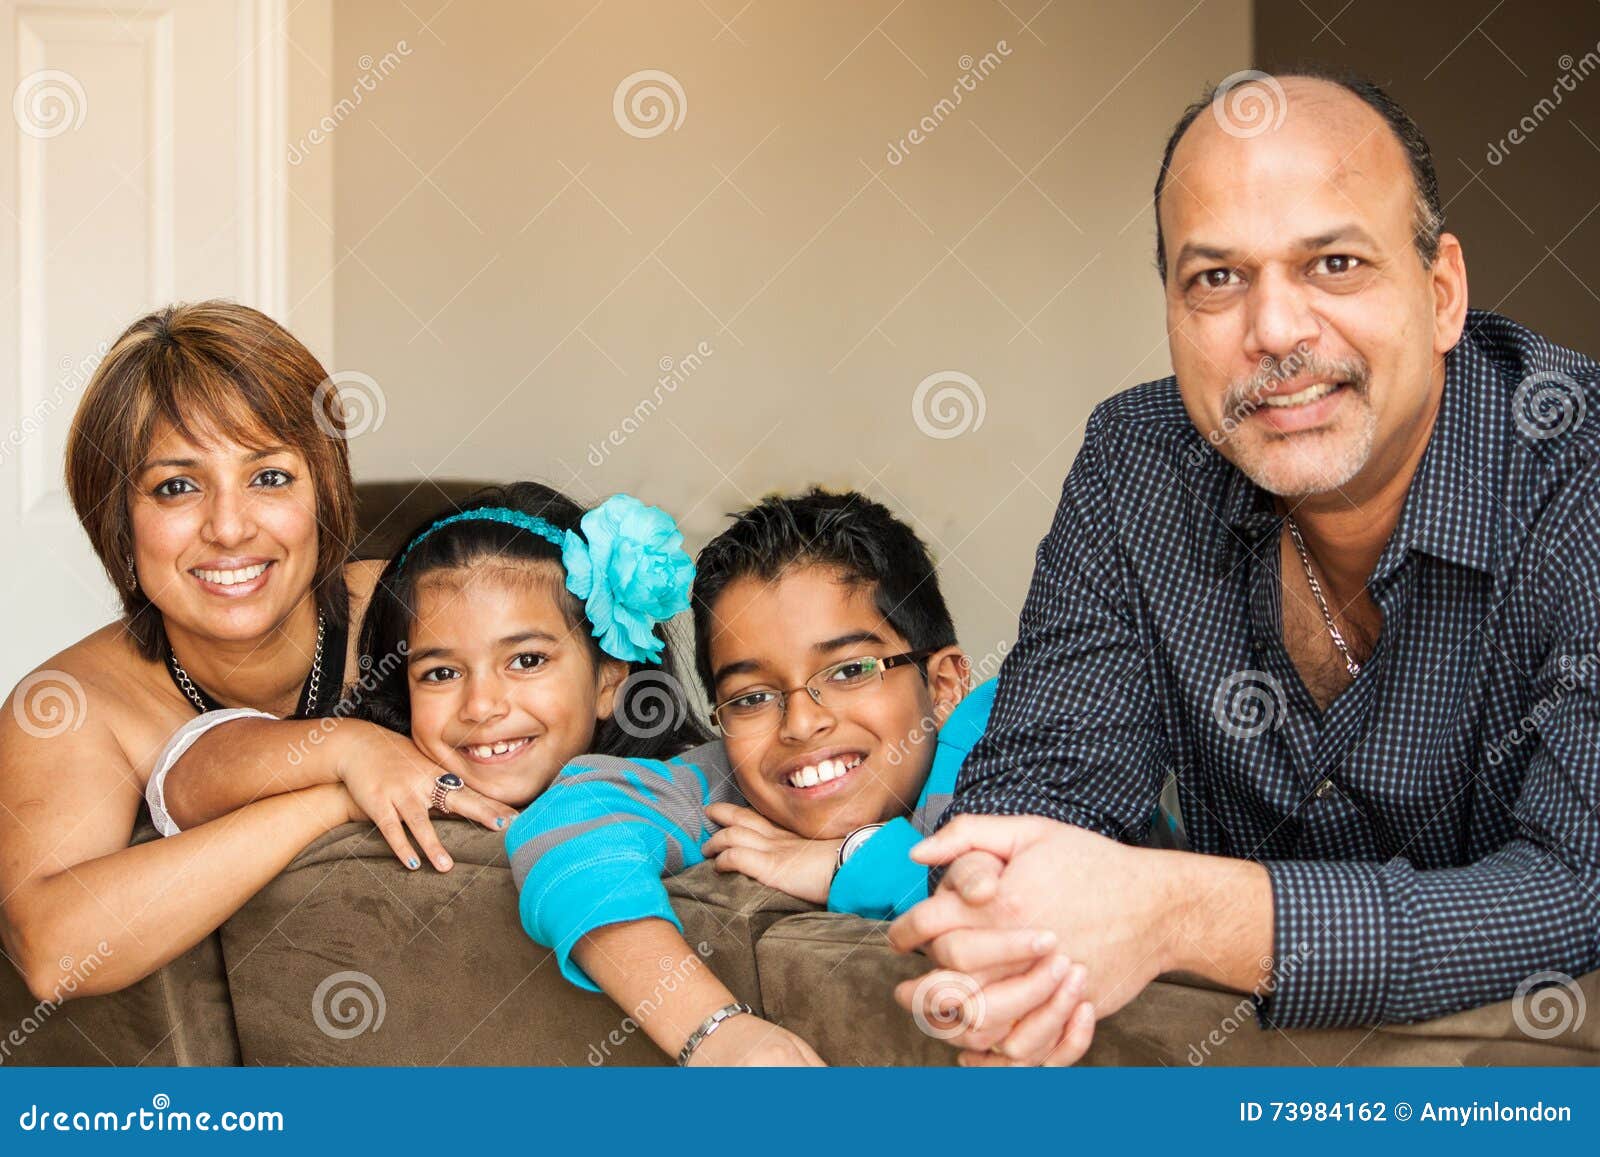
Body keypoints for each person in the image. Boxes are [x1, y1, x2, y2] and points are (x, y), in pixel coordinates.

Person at [890, 70, 1600, 1063]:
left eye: (1336, 263)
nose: (1273, 332)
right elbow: (1036, 789)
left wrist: (1179, 913)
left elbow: (1575, 886)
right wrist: (1001, 909)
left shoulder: (1578, 468)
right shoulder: (1136, 462)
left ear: (1440, 295)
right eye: (1217, 278)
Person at [509, 491, 1086, 1064]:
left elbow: (1037, 892)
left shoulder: (1010, 731)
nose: (802, 724)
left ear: (943, 686)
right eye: (751, 697)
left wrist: (844, 859)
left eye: (849, 670)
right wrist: (714, 1034)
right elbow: (565, 823)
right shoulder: (738, 780)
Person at [0, 301, 391, 1000]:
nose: (229, 526)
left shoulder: (411, 612)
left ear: (324, 491)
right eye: (176, 486)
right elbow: (52, 948)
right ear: (120, 522)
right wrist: (330, 792)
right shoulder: (67, 705)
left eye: (268, 476)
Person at [149, 484, 707, 854]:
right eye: (441, 673)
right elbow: (183, 784)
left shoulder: (678, 796)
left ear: (610, 679)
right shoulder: (396, 771)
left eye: (527, 660)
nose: (482, 706)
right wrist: (350, 750)